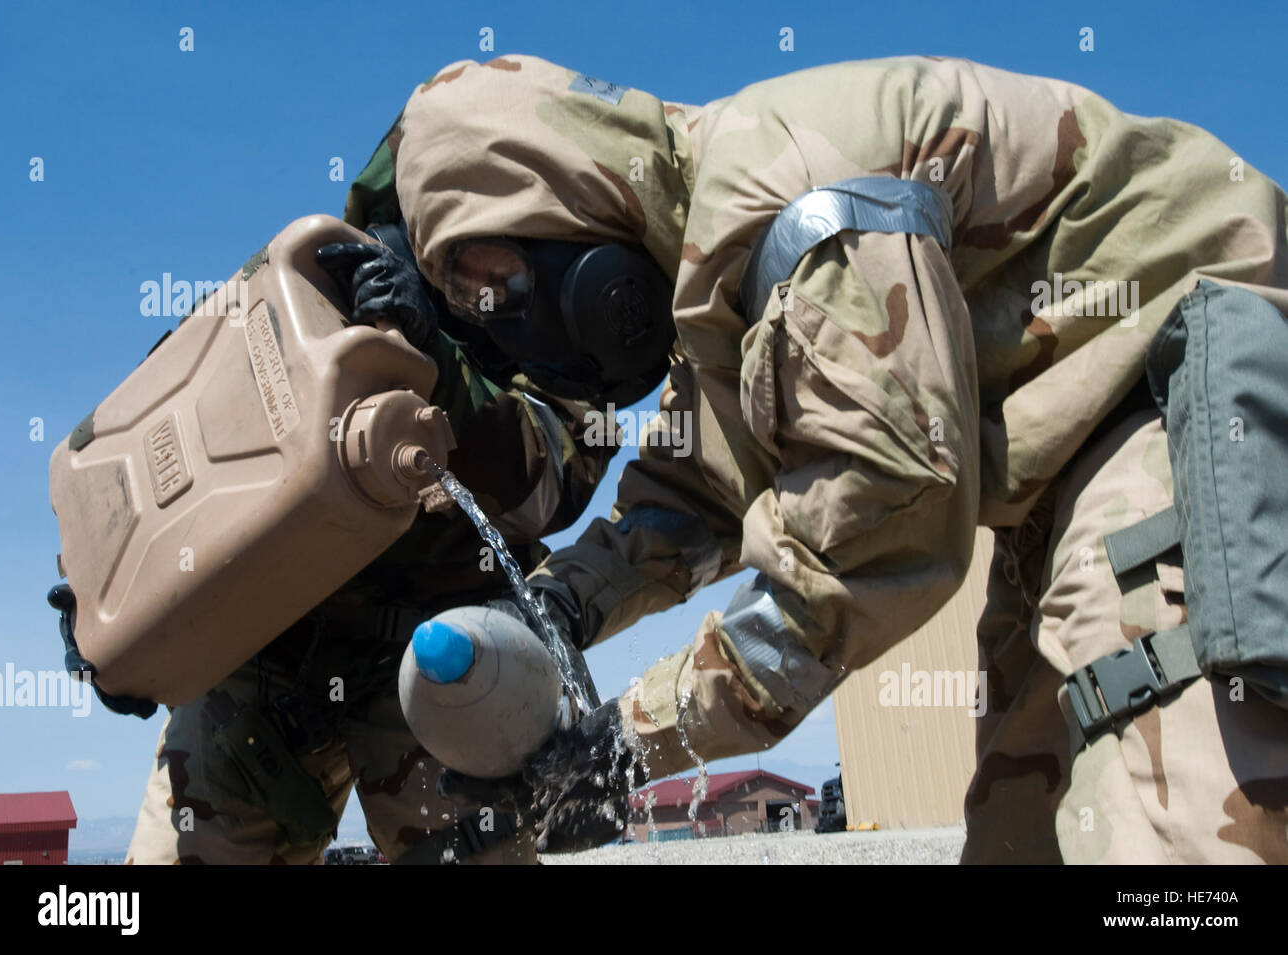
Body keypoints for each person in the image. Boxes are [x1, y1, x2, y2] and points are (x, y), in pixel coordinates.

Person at [392, 54, 1288, 863]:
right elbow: (688, 495)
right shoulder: (710, 285)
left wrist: (624, 748)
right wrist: (556, 603)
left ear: (561, 188)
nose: (509, 322)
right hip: (1063, 473)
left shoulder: (790, 205)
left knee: (1172, 818)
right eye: (477, 307)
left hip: (1178, 373)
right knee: (1027, 828)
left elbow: (872, 540)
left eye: (501, 280)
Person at [75, 137, 627, 864]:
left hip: (440, 657)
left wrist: (444, 372)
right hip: (266, 655)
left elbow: (548, 489)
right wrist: (112, 609)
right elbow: (157, 449)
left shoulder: (559, 324)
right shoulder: (306, 283)